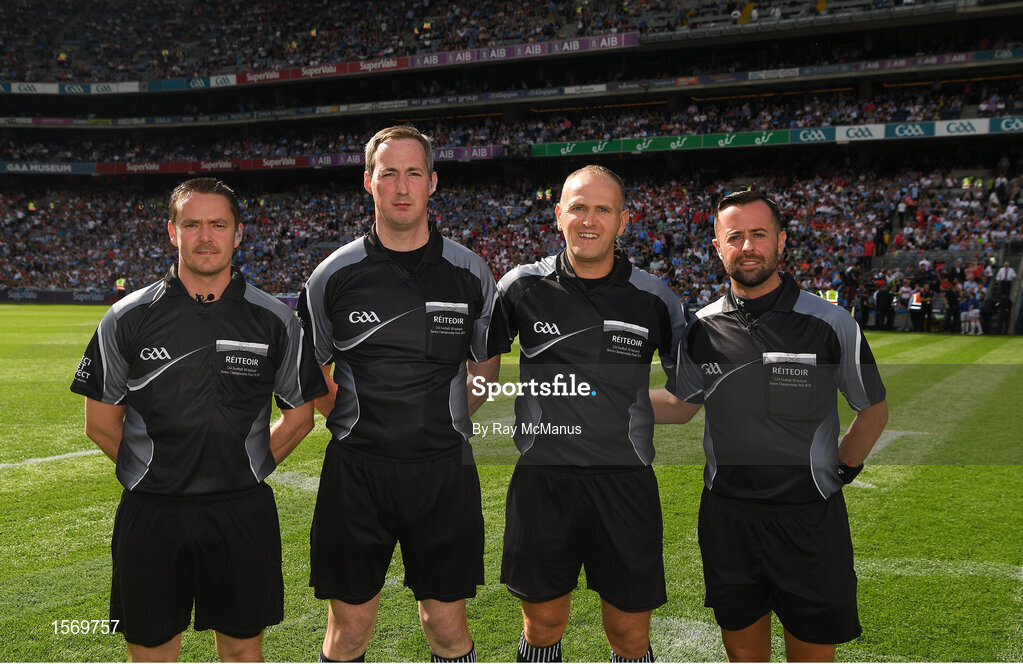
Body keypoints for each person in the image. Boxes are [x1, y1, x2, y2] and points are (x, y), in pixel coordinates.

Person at [70, 177, 326, 662]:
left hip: (241, 512)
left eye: (217, 224)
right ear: (172, 232)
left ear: (239, 233)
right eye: (192, 224)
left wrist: (243, 468)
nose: (205, 236)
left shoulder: (275, 319)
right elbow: (100, 422)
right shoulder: (127, 317)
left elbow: (299, 417)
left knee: (242, 651)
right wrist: (155, 475)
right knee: (150, 652)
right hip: (151, 514)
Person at [298, 125, 507, 663]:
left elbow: (485, 361)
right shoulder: (333, 275)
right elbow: (313, 365)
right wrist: (344, 416)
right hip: (356, 472)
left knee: (446, 629)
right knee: (348, 632)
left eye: (413, 173)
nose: (401, 187)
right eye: (388, 173)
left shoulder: (470, 271)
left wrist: (453, 415)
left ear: (432, 183)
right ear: (369, 182)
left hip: (444, 471)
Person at [652, 191, 889, 662]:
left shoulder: (829, 322)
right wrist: (597, 395)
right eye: (734, 236)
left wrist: (841, 467)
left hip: (808, 520)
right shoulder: (701, 328)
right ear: (718, 247)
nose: (748, 246)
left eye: (758, 234)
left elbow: (872, 411)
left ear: (780, 240)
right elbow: (680, 404)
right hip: (728, 520)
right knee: (743, 654)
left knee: (812, 656)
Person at [496, 165, 687, 663]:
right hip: (543, 482)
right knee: (543, 627)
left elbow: (687, 399)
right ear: (558, 215)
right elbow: (476, 367)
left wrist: (619, 409)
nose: (589, 219)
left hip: (625, 484)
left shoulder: (656, 298)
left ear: (623, 221)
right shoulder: (519, 287)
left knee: (628, 635)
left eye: (603, 209)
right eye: (578, 207)